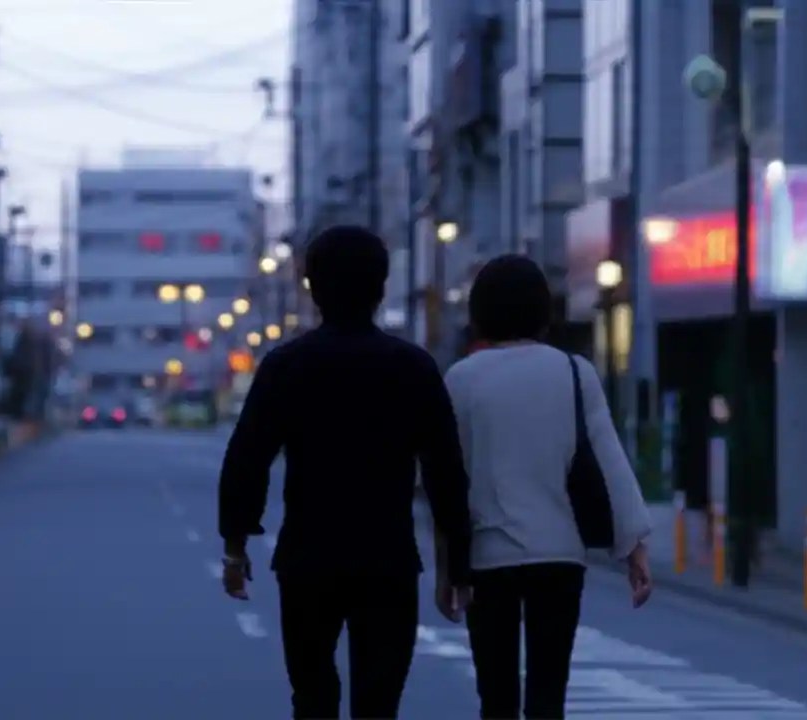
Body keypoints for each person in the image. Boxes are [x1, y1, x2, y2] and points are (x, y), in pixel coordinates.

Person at [217, 225, 473, 719]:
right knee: (379, 703)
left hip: (307, 558)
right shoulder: (412, 367)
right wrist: (455, 566)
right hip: (388, 558)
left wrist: (235, 544)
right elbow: (445, 471)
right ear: (381, 286)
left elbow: (247, 458)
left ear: (312, 287)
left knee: (312, 697)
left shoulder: (286, 365)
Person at [437, 254, 654, 719]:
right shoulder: (574, 372)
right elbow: (609, 459)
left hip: (488, 556)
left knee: (496, 697)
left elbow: (448, 483)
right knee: (548, 695)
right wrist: (633, 545)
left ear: (480, 311)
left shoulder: (461, 378)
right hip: (559, 555)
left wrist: (448, 570)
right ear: (543, 309)